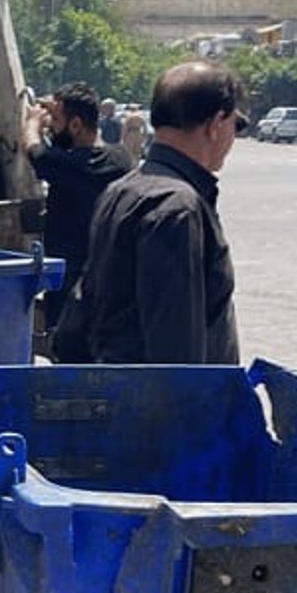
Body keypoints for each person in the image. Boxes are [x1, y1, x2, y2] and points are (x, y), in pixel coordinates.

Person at [62, 61, 246, 365]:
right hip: (157, 405)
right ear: (216, 124)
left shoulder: (121, 190)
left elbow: (82, 314)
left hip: (116, 394)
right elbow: (177, 359)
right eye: (235, 125)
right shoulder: (177, 208)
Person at [22, 81, 133, 333]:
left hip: (70, 276)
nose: (52, 126)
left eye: (58, 120)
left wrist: (34, 122)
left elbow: (33, 150)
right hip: (111, 274)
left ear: (76, 125)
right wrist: (59, 111)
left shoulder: (68, 166)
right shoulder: (121, 159)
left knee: (66, 347)